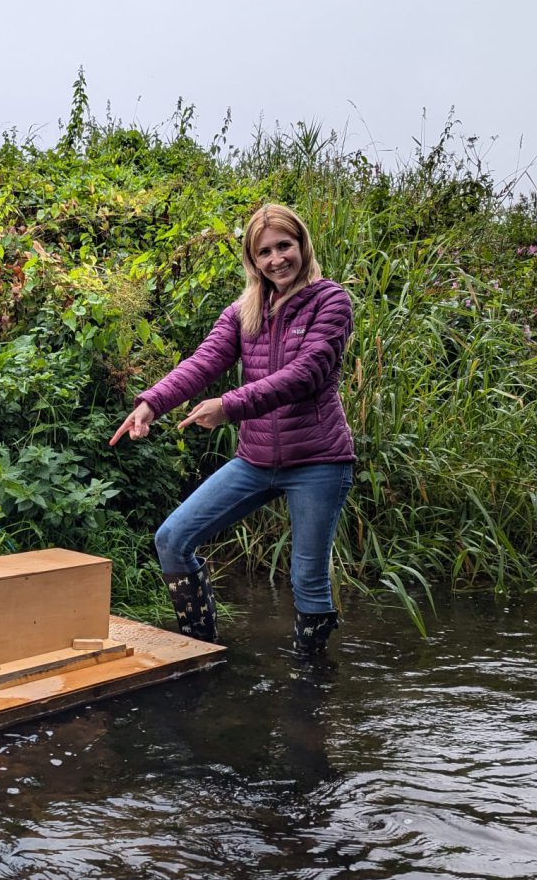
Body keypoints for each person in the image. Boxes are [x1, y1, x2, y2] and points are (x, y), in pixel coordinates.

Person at [109, 203, 356, 655]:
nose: (277, 259)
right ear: (252, 260)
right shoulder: (244, 310)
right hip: (256, 461)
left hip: (319, 460)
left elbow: (309, 372)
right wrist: (151, 404)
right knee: (172, 539)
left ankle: (312, 686)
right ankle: (199, 650)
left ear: (302, 245)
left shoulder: (331, 300)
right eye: (265, 252)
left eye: (285, 246)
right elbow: (203, 363)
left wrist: (231, 405)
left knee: (308, 579)